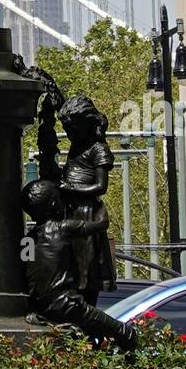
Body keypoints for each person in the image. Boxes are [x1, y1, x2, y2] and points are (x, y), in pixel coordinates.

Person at [21, 179, 137, 352]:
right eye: (61, 200)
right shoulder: (63, 227)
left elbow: (27, 270)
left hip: (40, 305)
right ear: (54, 204)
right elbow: (101, 224)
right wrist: (95, 201)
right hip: (67, 303)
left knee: (90, 335)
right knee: (122, 331)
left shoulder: (28, 239)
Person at [37, 92, 117, 304]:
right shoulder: (78, 144)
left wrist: (70, 189)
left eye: (73, 129)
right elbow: (68, 106)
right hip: (70, 211)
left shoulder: (97, 148)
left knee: (85, 272)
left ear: (87, 125)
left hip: (85, 214)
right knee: (68, 270)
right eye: (66, 130)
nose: (69, 133)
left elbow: (101, 187)